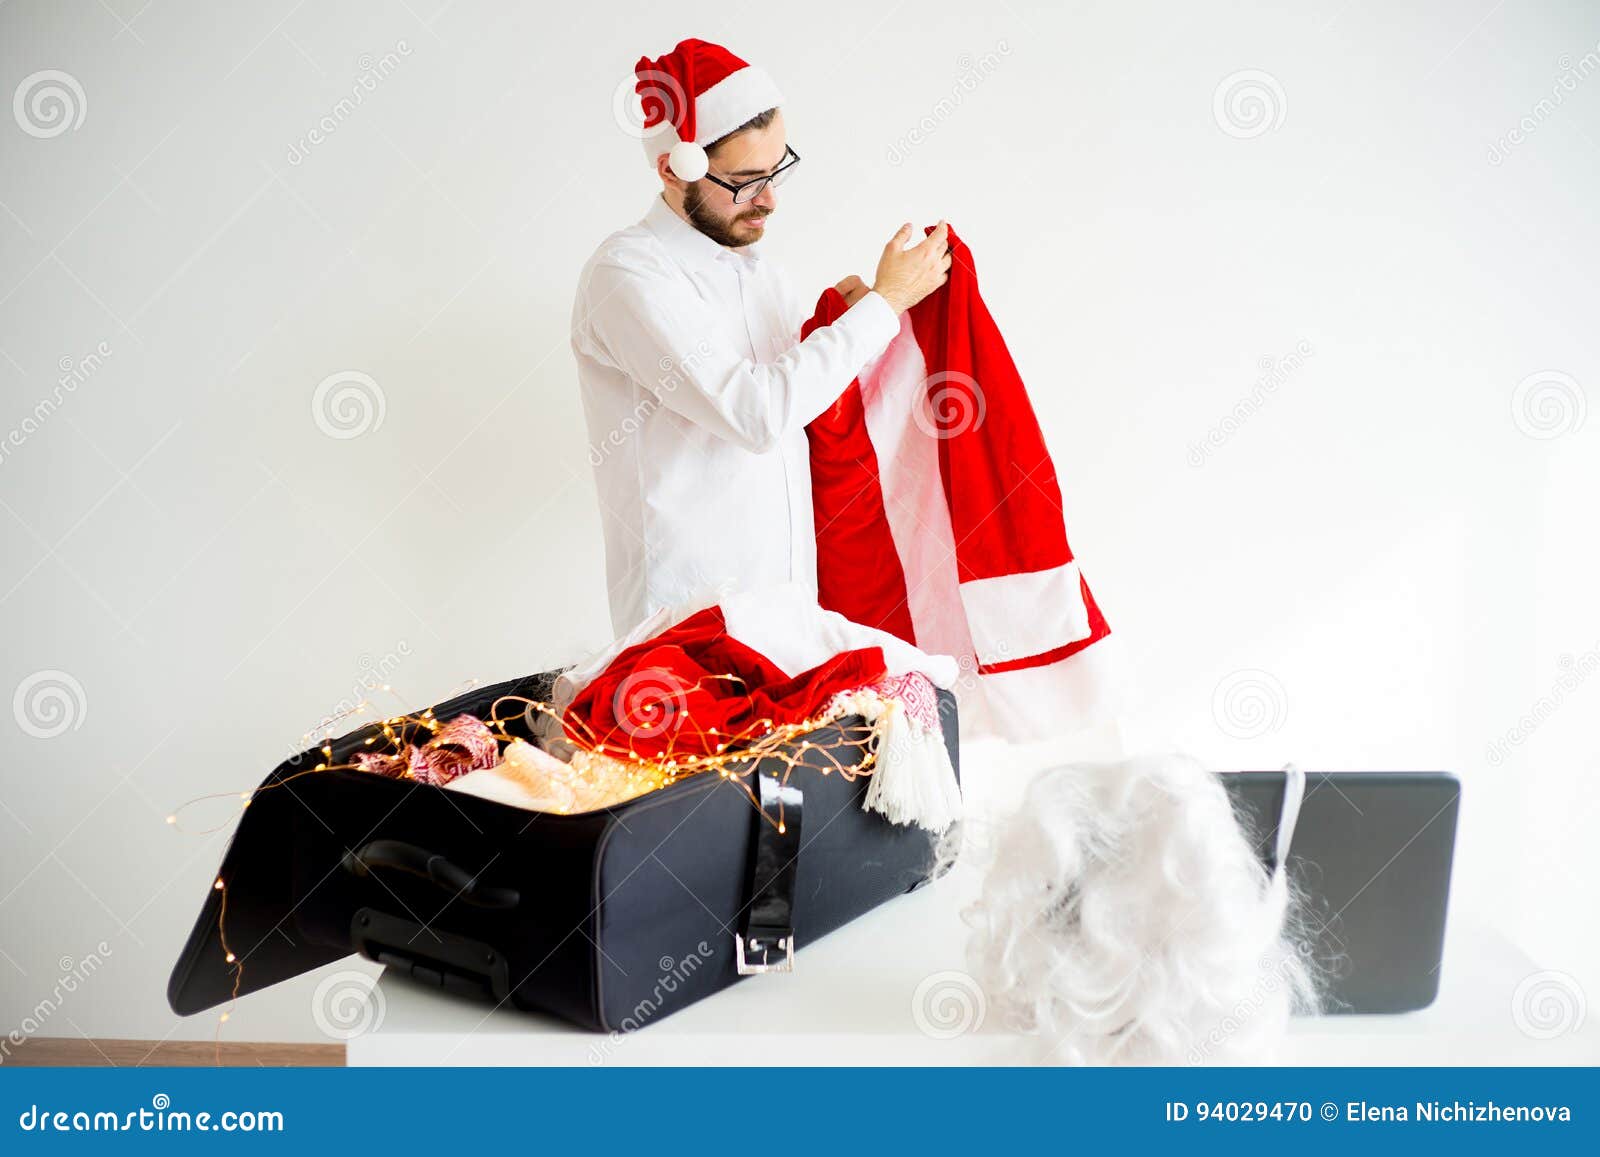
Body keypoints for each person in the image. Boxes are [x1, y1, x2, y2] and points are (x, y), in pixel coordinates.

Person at [571, 37, 950, 637]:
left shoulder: (766, 278)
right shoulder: (628, 275)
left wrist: (847, 325)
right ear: (674, 168)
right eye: (747, 180)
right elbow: (755, 414)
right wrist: (883, 305)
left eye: (776, 171)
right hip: (684, 623)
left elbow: (796, 404)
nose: (770, 200)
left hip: (788, 607)